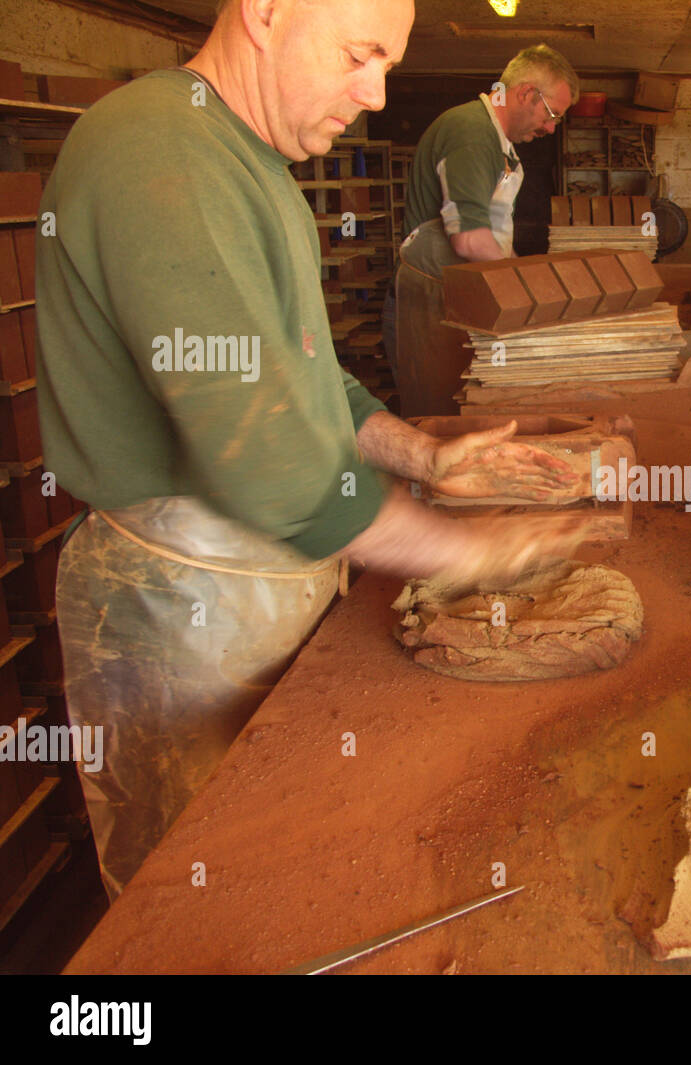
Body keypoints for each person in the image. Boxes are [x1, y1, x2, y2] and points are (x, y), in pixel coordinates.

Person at [36, 0, 587, 899]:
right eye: (361, 54)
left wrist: (421, 456)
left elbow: (305, 374)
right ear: (265, 12)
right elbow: (263, 448)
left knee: (272, 868)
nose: (374, 93)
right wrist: (470, 549)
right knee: (190, 903)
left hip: (247, 583)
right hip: (183, 602)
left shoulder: (249, 162)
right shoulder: (163, 151)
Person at [385, 44, 578, 416]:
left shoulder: (497, 143)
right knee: (438, 426)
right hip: (428, 305)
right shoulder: (472, 133)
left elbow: (492, 235)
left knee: (469, 419)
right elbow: (470, 239)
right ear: (525, 94)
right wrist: (528, 288)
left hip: (455, 299)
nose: (552, 128)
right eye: (552, 114)